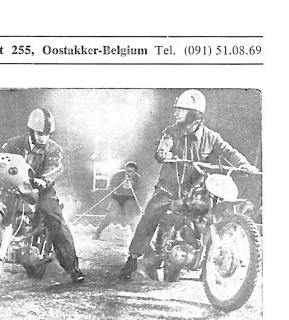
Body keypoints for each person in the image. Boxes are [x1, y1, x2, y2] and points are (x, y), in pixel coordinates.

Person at [120, 89, 258, 280]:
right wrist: (163, 153)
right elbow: (164, 145)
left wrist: (244, 165)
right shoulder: (172, 131)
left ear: (193, 114)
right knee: (150, 215)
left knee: (211, 216)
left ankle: (207, 263)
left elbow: (230, 152)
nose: (176, 113)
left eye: (181, 110)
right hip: (169, 189)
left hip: (195, 191)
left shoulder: (211, 137)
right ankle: (133, 258)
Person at [2, 108, 85, 284]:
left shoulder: (54, 149)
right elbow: (3, 160)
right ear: (31, 130)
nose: (43, 138)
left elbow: (55, 166)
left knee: (55, 219)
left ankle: (72, 267)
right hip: (15, 187)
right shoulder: (13, 144)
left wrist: (44, 179)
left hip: (41, 189)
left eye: (47, 134)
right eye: (40, 133)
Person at [93, 161, 142, 239]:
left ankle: (135, 237)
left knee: (131, 217)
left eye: (131, 172)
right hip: (117, 197)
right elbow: (111, 186)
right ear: (125, 170)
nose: (129, 174)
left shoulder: (137, 178)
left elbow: (138, 190)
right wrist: (119, 185)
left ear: (135, 172)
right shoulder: (117, 175)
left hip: (129, 198)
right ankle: (97, 233)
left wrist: (132, 185)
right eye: (127, 171)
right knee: (110, 216)